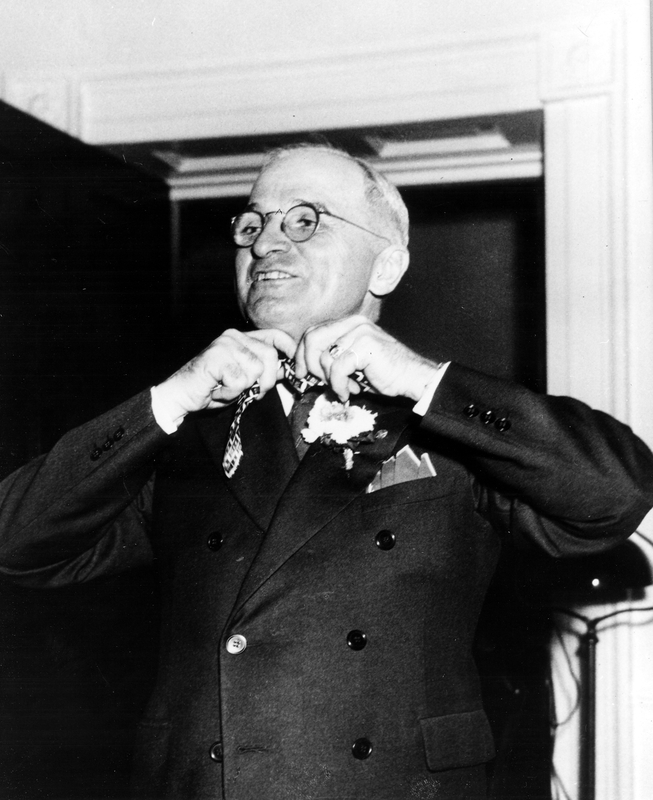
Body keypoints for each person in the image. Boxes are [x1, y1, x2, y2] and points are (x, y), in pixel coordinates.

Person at [0, 144, 652, 800]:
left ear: (387, 265)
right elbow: (17, 542)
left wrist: (425, 384)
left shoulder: (453, 424)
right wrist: (169, 398)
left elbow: (614, 494)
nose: (265, 244)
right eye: (253, 224)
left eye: (305, 220)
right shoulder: (186, 429)